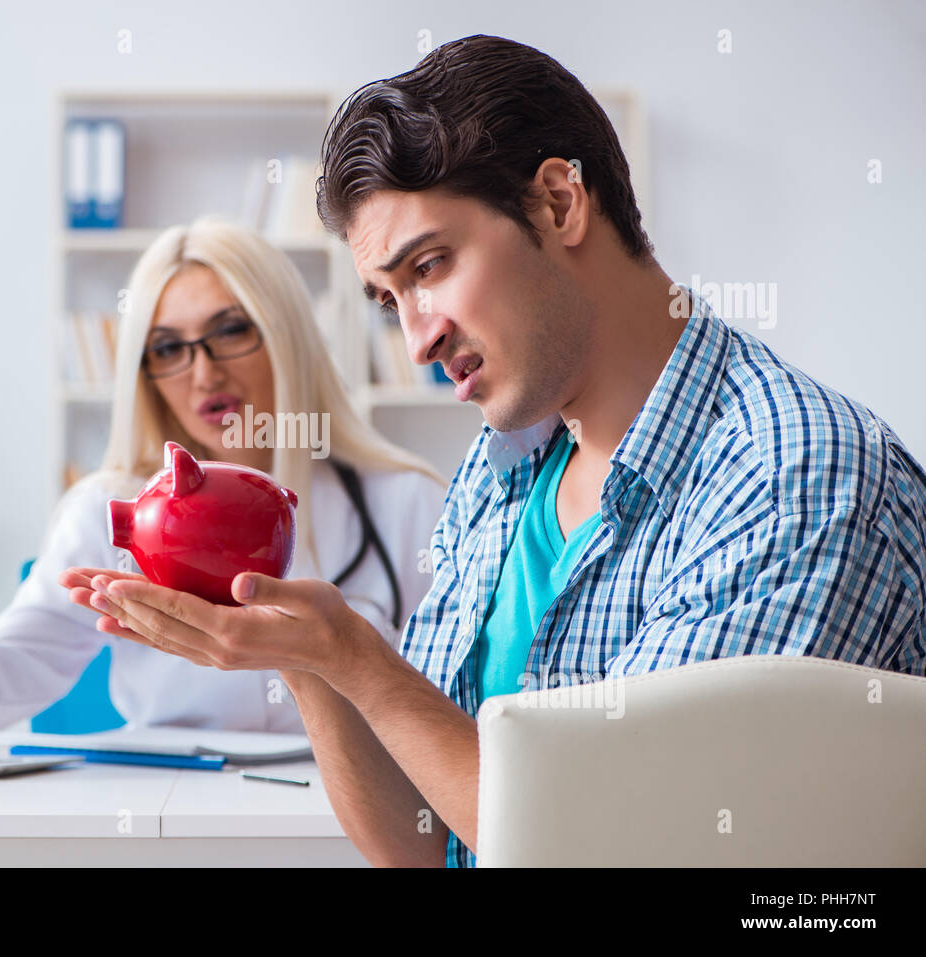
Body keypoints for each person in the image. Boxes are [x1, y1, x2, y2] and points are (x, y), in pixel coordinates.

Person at [62, 34, 926, 868]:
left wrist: (362, 658)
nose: (417, 342)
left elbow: (628, 851)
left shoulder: (794, 478)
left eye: (429, 267)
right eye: (388, 299)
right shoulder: (504, 466)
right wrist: (317, 662)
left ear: (560, 202)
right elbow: (422, 843)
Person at [0, 216, 447, 733]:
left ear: (289, 337)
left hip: (348, 828)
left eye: (230, 331)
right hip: (168, 819)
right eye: (168, 348)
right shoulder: (107, 513)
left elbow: (454, 714)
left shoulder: (406, 503)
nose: (203, 374)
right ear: (142, 374)